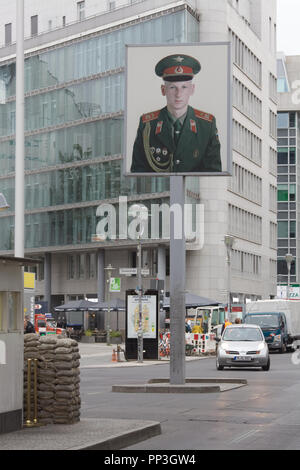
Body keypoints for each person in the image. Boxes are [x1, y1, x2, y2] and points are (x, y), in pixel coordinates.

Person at [131, 54, 221, 173]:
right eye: (173, 87)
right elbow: (138, 171)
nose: (178, 94)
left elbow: (213, 172)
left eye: (184, 87)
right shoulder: (148, 124)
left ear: (192, 89)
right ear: (163, 90)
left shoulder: (206, 125)